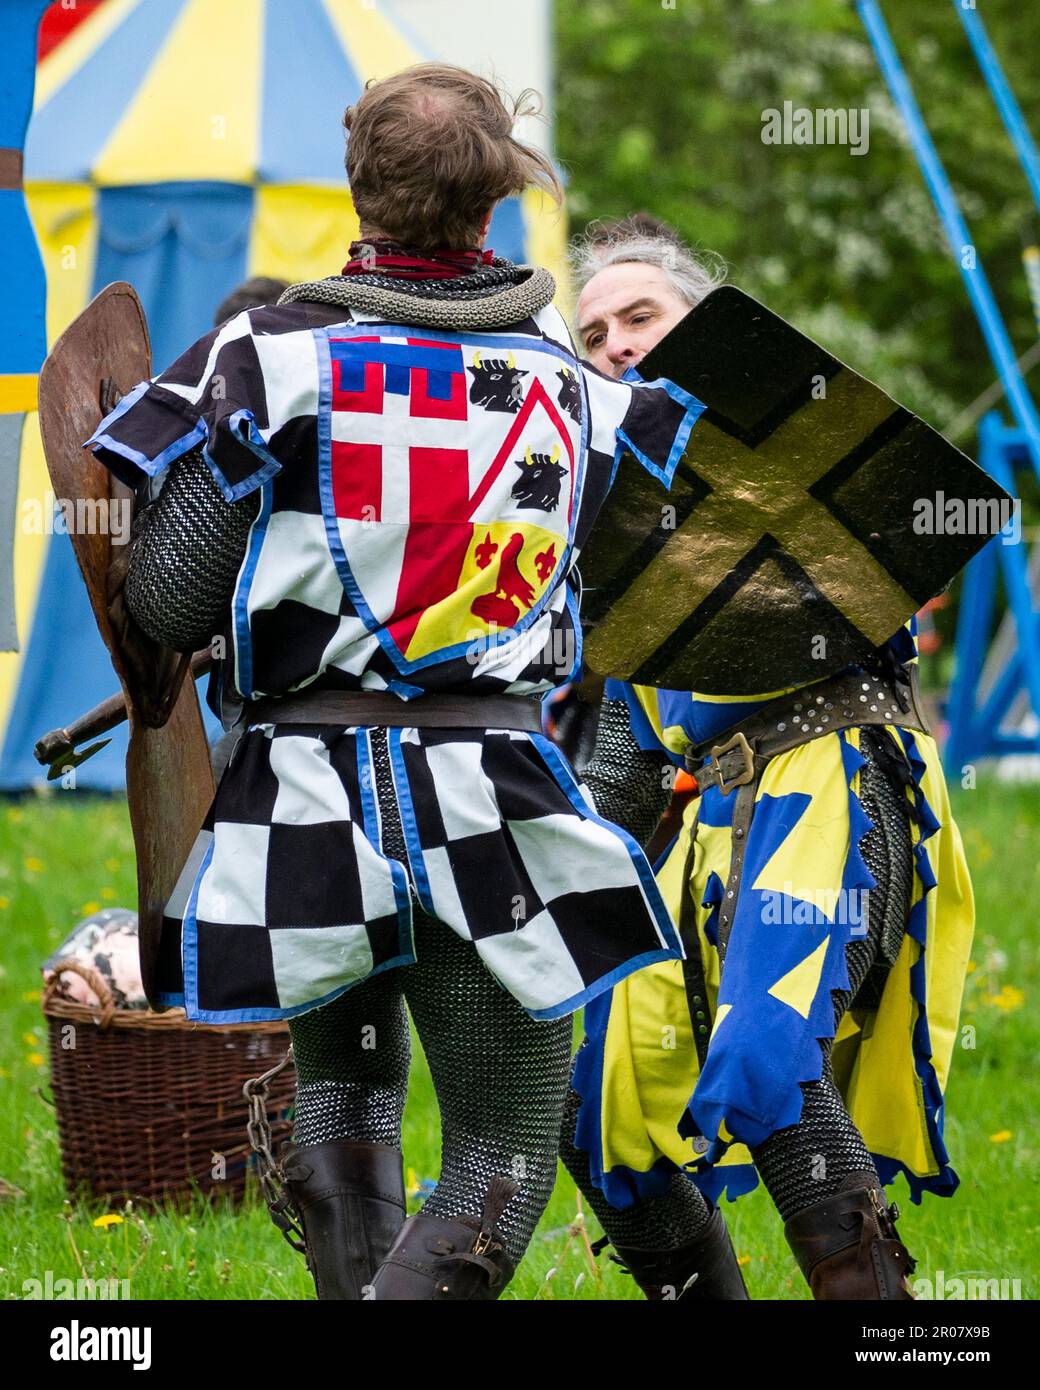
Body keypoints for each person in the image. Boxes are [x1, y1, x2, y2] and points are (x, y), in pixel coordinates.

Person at [83, 67, 706, 1301]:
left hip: (304, 813)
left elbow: (160, 603)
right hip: (490, 808)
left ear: (358, 182)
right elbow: (638, 596)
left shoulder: (268, 358)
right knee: (496, 1156)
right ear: (494, 204)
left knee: (348, 1100)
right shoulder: (577, 393)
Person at [555, 218, 975, 1301]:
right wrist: (556, 871)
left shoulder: (801, 454)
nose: (615, 343)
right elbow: (628, 761)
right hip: (705, 831)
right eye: (594, 331)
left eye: (641, 316)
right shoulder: (616, 523)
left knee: (764, 1067)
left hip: (828, 784)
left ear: (703, 323)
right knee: (595, 1107)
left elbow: (911, 538)